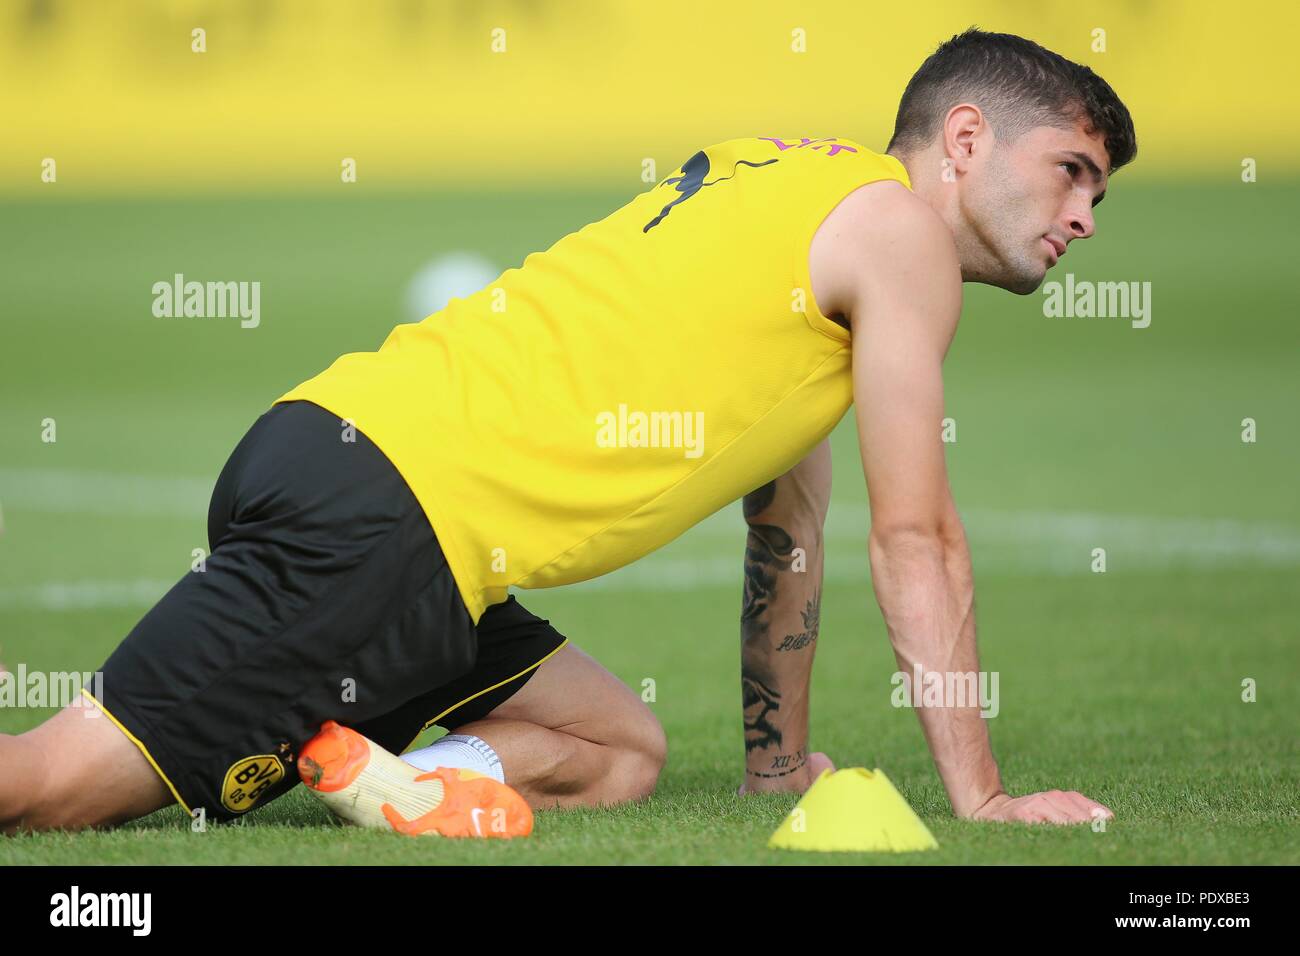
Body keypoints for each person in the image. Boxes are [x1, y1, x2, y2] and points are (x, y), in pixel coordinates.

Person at [0, 28, 1134, 837]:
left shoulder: (811, 210)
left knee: (616, 754)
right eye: (1070, 171)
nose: (1083, 214)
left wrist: (774, 767)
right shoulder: (901, 239)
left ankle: (396, 778)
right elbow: (917, 538)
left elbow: (786, 534)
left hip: (365, 485)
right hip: (387, 526)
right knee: (39, 786)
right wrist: (982, 795)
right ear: (968, 138)